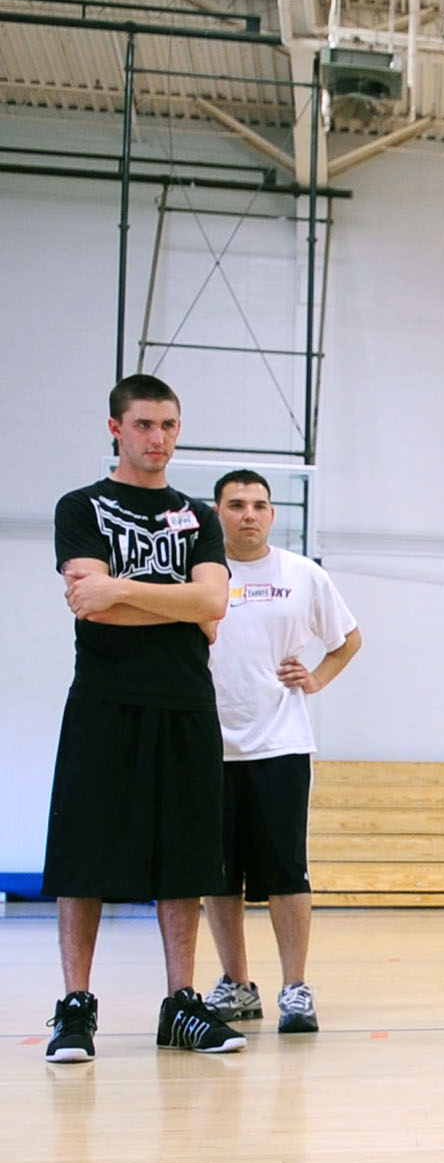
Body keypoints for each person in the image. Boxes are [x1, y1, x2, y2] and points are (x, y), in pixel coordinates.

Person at [43, 374, 240, 1062]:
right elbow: (89, 604)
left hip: (185, 700)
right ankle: (75, 1005)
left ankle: (181, 1003)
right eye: (145, 425)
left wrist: (122, 589)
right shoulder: (82, 506)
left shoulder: (199, 515)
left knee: (184, 854)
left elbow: (213, 604)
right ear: (116, 429)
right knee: (85, 854)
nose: (158, 439)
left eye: (169, 426)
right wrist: (177, 599)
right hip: (104, 699)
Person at [201, 470, 362, 1033]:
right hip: (207, 746)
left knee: (286, 870)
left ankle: (295, 987)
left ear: (272, 514)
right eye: (237, 504)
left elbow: (348, 640)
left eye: (259, 505)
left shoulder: (302, 575)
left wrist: (316, 678)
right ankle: (236, 983)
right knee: (219, 873)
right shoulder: (199, 575)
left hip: (281, 743)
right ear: (217, 511)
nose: (249, 514)